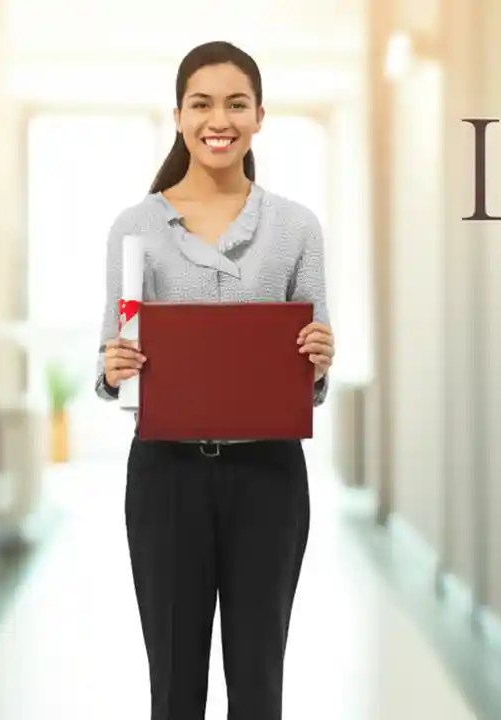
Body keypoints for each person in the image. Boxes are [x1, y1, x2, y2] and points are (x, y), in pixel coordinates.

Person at [94, 40, 335, 720]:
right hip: (166, 479)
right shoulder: (136, 227)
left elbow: (309, 369)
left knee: (259, 684)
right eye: (201, 104)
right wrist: (115, 369)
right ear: (178, 116)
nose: (218, 119)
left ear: (260, 116)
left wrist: (317, 356)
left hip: (269, 479)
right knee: (174, 686)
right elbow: (111, 364)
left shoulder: (295, 228)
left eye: (236, 104)